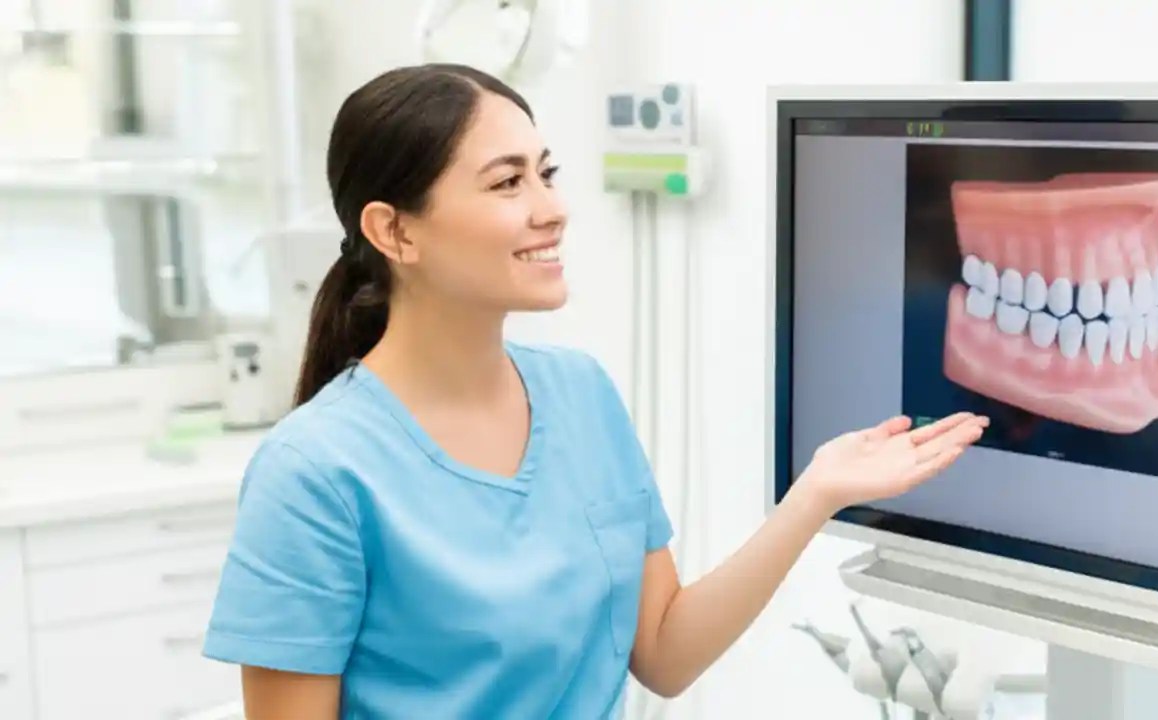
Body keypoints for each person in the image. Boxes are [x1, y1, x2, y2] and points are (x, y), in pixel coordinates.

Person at [200, 63, 988, 719]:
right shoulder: (314, 472)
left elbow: (665, 654)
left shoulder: (580, 395)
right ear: (395, 231)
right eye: (508, 183)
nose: (553, 209)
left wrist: (814, 495)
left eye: (545, 173)